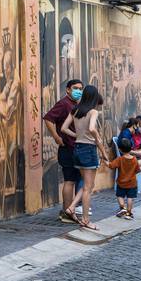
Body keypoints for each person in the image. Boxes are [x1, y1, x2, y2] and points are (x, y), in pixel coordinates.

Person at [60, 84, 107, 230]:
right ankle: (86, 220)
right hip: (88, 149)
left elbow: (63, 128)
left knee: (88, 185)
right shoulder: (93, 112)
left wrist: (77, 135)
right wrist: (100, 145)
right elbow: (92, 128)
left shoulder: (75, 110)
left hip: (77, 149)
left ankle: (71, 207)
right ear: (94, 97)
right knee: (88, 188)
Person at [43, 79, 85, 225]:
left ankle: (70, 210)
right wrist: (56, 137)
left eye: (80, 88)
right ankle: (67, 212)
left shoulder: (76, 105)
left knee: (73, 180)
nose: (78, 90)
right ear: (68, 89)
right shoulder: (63, 103)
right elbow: (48, 118)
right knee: (69, 180)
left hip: (76, 147)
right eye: (75, 88)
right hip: (68, 148)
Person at [107, 136, 141, 220]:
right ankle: (129, 213)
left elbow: (111, 166)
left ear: (120, 149)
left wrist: (105, 162)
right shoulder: (135, 159)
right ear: (131, 148)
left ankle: (123, 208)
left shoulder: (120, 159)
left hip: (121, 183)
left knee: (120, 196)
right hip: (132, 183)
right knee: (130, 198)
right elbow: (138, 170)